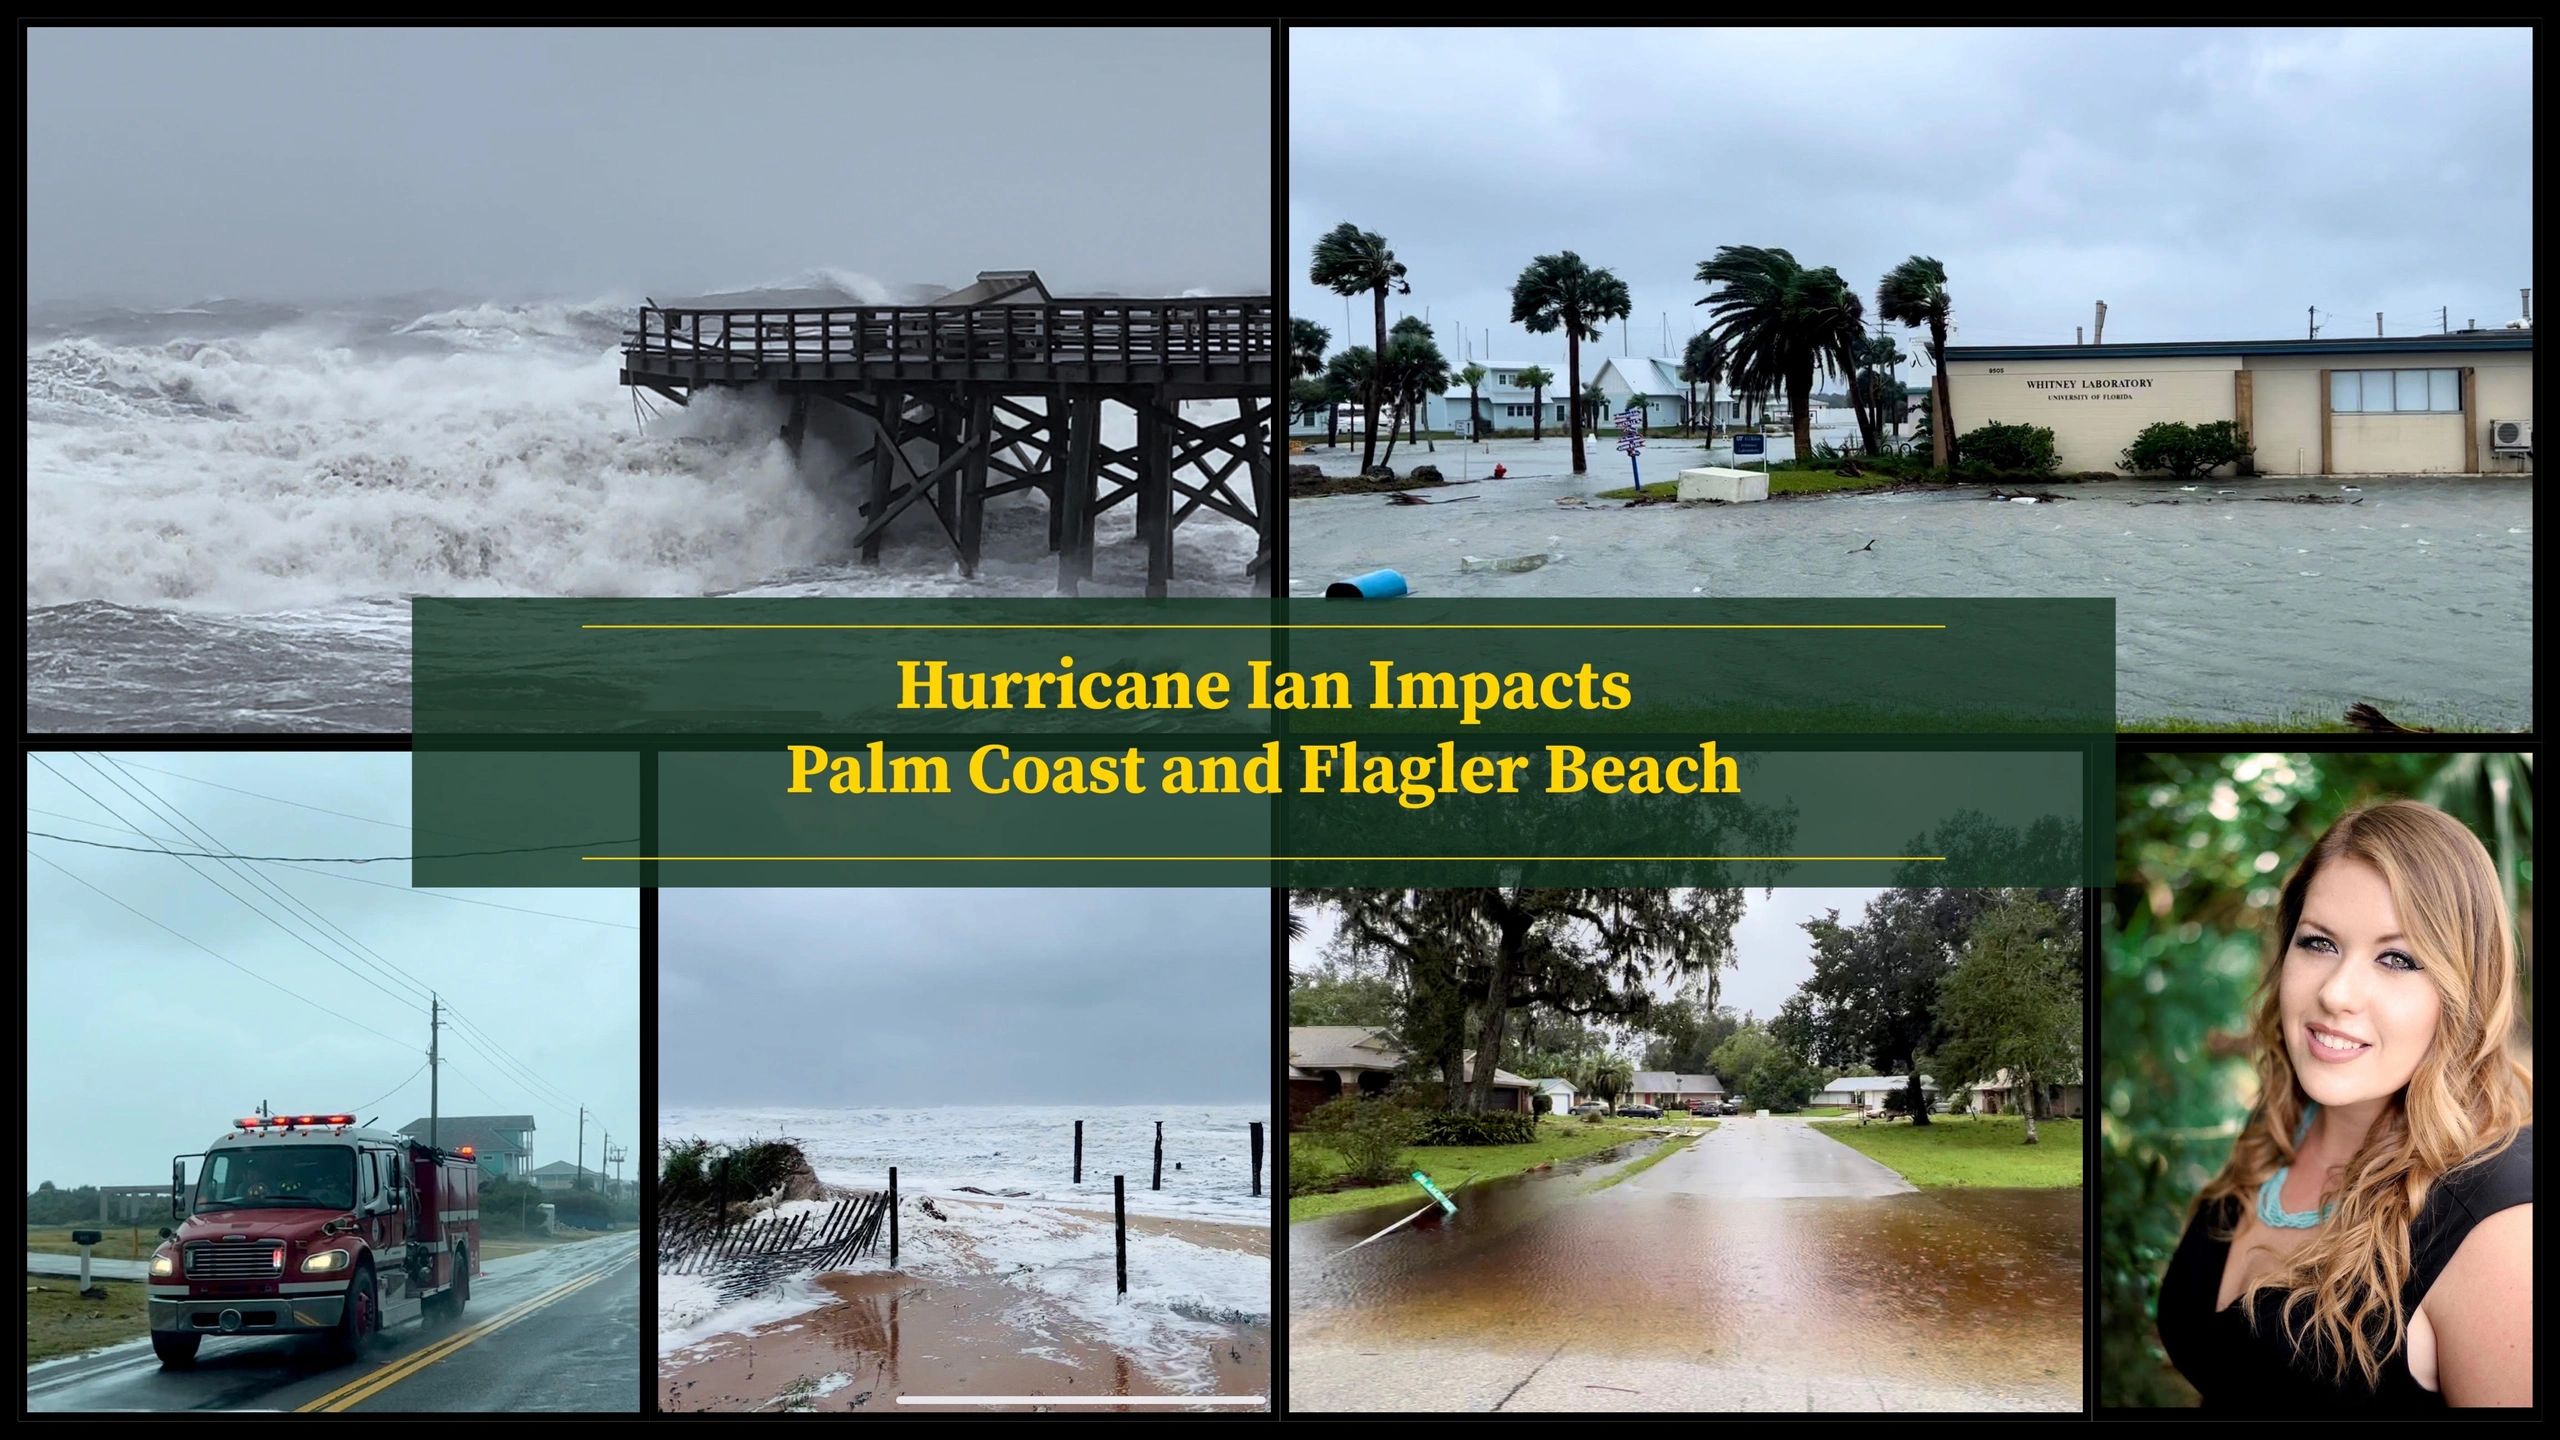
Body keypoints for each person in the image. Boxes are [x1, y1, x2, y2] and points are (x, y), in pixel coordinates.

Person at [2155, 800, 2532, 1409]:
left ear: (2466, 990)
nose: (2336, 992)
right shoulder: (2282, 1124)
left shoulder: (2500, 1226)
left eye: (2397, 958)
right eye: (2319, 943)